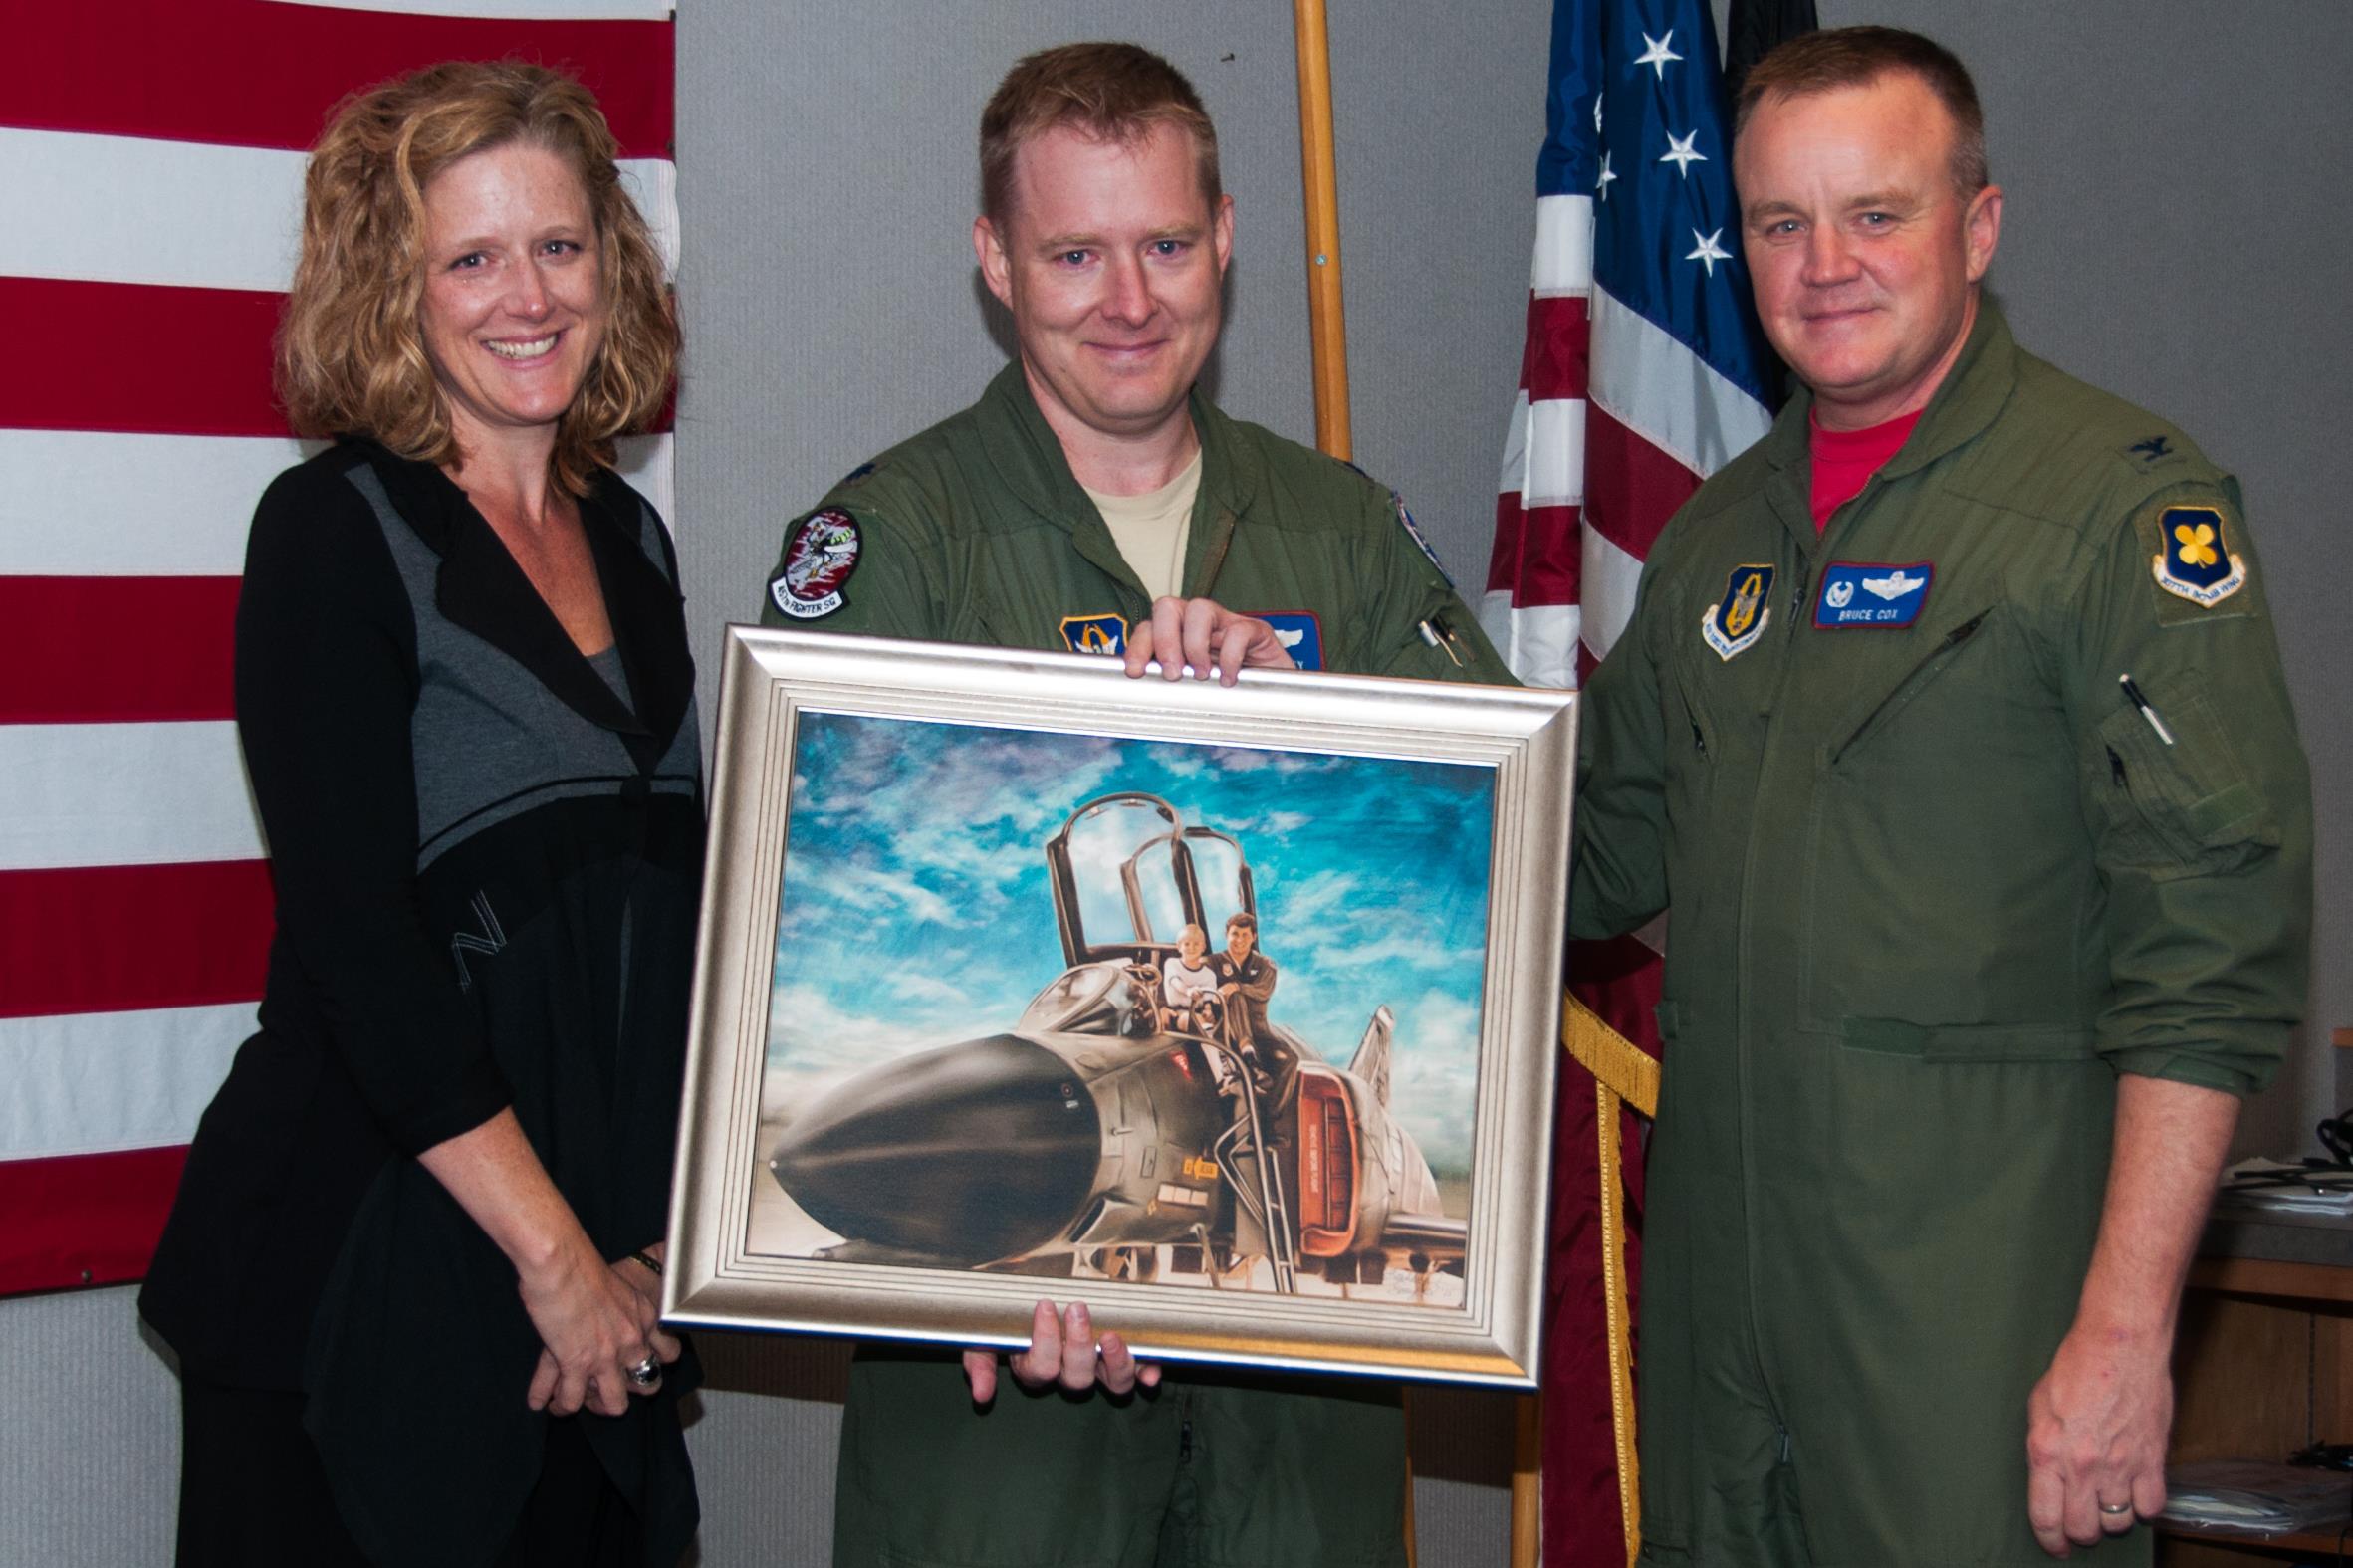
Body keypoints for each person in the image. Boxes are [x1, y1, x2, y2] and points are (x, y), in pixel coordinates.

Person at [760, 41, 1513, 1568]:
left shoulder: (1346, 539)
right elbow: (780, 914)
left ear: (1224, 236)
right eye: (1073, 254)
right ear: (993, 261)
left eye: (1165, 244)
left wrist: (1311, 726)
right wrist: (955, 1279)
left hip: (1292, 1424)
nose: (1127, 299)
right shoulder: (894, 546)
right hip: (994, 1433)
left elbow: (1521, 856)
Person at [1570, 26, 2312, 1567]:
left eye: (1875, 213)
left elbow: (2209, 963)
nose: (1822, 264)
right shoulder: (1718, 537)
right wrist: (1310, 721)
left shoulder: (2112, 509)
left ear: (1976, 225)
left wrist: (2124, 1336)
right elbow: (1576, 854)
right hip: (1726, 1341)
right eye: (1778, 222)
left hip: (1974, 1334)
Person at [138, 62, 702, 1568]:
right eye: (472, 258)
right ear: (396, 288)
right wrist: (556, 1262)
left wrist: (650, 1249)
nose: (529, 296)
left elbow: (671, 924)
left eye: (560, 245)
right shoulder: (329, 532)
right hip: (362, 1280)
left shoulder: (633, 537)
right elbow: (361, 949)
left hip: (598, 1292)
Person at [1209, 911, 1278, 1063]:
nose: (1239, 940)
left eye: (1245, 935)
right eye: (1235, 934)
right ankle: (1245, 1046)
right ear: (1226, 935)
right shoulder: (1211, 962)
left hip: (1258, 1031)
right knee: (1236, 997)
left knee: (1288, 1060)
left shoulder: (1265, 964)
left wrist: (1237, 986)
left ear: (1253, 937)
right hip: (1224, 1030)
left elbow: (1263, 990)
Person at [1159, 922, 1221, 1036]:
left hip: (1198, 1011)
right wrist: (1188, 990)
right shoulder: (1171, 963)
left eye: (1196, 944)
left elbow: (1208, 1000)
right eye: (1186, 944)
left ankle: (1208, 1036)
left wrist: (1208, 1011)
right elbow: (1175, 981)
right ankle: (1205, 1034)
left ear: (1203, 947)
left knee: (1209, 1020)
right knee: (1189, 1019)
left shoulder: (1209, 974)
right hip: (1176, 1012)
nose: (1191, 948)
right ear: (1179, 946)